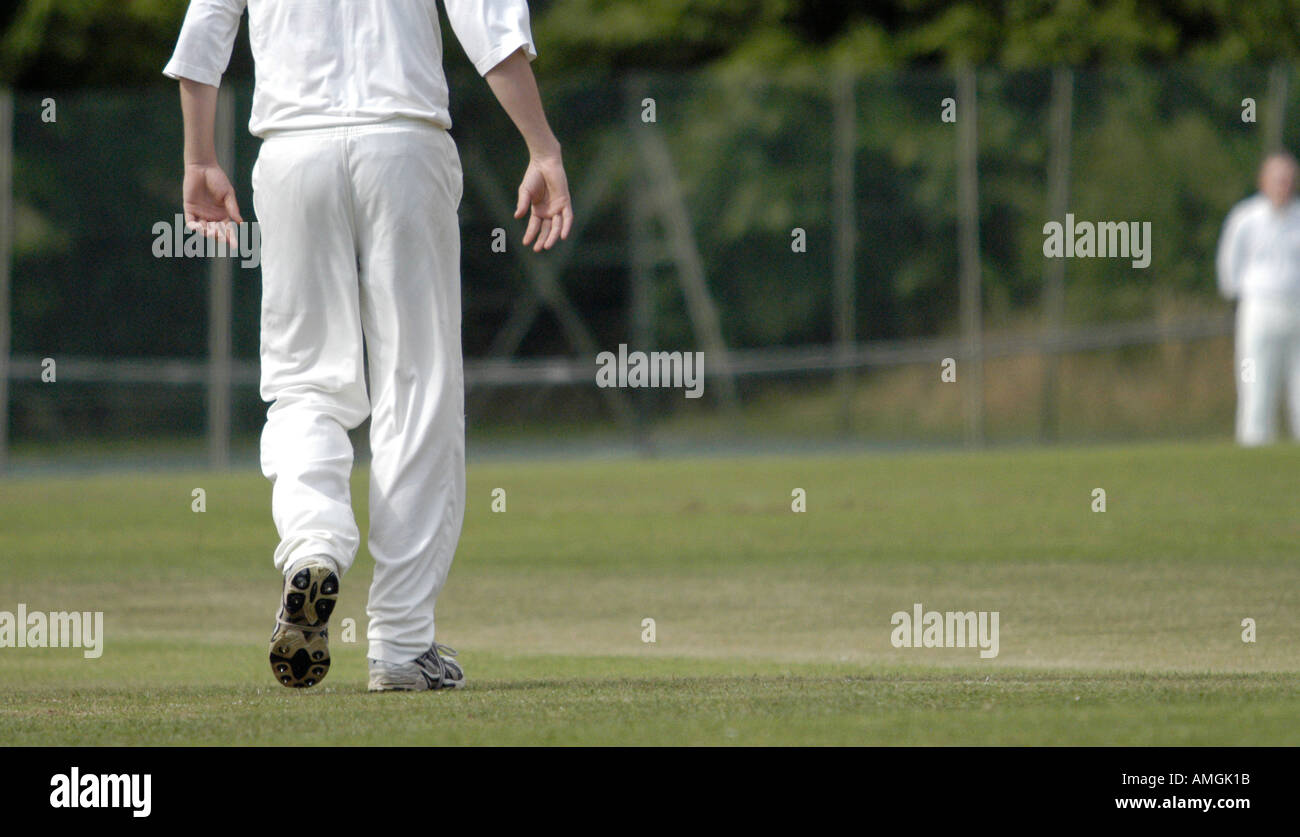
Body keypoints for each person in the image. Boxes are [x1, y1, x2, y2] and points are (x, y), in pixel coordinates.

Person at [164, 0, 573, 690]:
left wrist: (200, 158)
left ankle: (313, 546)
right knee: (417, 386)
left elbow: (205, 29)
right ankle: (402, 644)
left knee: (304, 384)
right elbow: (488, 19)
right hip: (403, 144)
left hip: (292, 152)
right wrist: (542, 147)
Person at [1216, 151, 1300, 446]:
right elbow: (1229, 262)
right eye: (1277, 180)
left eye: (1288, 180)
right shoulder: (1246, 218)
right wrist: (1236, 295)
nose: (1283, 186)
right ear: (1263, 181)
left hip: (1296, 309)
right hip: (1258, 309)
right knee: (1254, 380)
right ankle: (1254, 443)